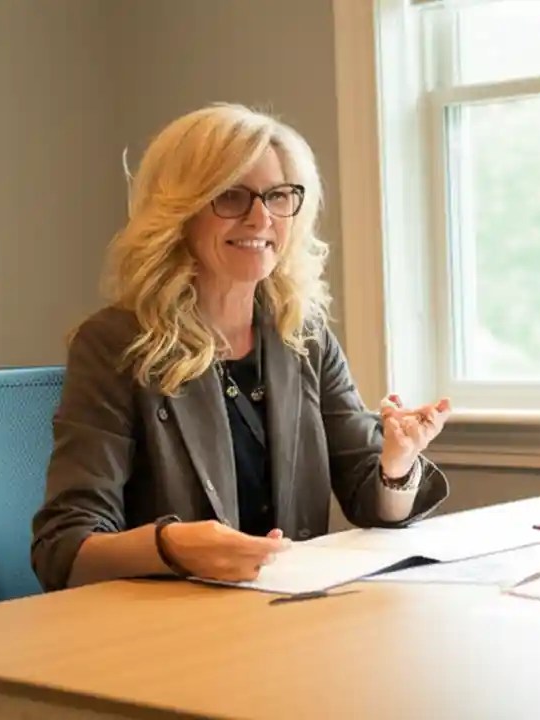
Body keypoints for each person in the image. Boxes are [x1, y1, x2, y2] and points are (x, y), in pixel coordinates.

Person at [31, 103, 451, 592]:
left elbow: (367, 497)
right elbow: (63, 547)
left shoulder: (303, 334)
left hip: (285, 619)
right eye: (231, 196)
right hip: (168, 633)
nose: (261, 218)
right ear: (179, 213)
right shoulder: (116, 344)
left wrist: (396, 464)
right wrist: (174, 547)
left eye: (277, 196)